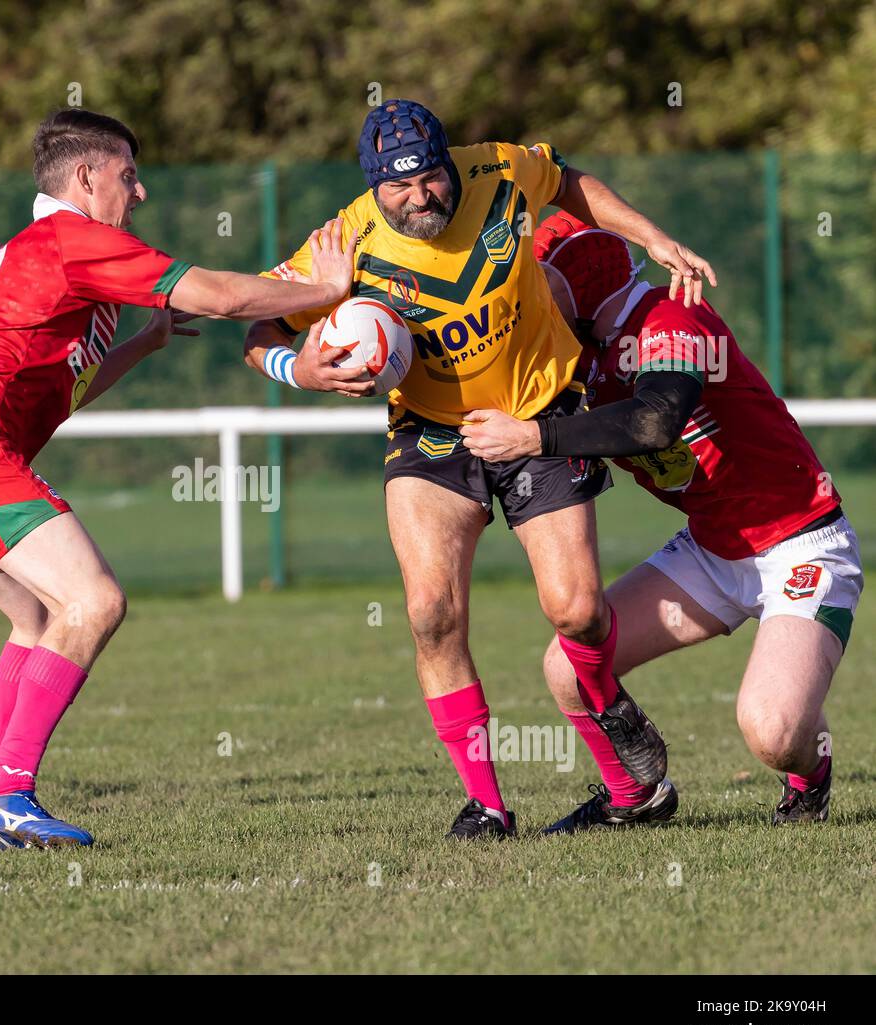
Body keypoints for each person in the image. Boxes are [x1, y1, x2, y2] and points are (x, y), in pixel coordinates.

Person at [0, 108, 357, 851]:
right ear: (86, 177)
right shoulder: (74, 241)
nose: (138, 194)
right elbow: (224, 295)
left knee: (36, 621)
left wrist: (145, 343)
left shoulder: (37, 252)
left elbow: (66, 388)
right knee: (95, 600)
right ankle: (7, 793)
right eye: (128, 176)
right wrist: (324, 290)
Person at [243, 99, 715, 839]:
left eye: (429, 178)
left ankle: (624, 763)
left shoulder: (497, 170)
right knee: (431, 613)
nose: (420, 197)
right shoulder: (343, 241)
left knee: (578, 613)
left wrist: (653, 237)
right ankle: (487, 806)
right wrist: (296, 367)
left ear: (446, 161)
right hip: (432, 437)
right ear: (373, 185)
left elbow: (570, 185)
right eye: (398, 188)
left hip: (541, 417)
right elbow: (260, 323)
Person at [459, 210, 862, 832]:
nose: (524, 295)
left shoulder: (669, 317)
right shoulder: (574, 356)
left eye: (538, 278)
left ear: (581, 272)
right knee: (568, 668)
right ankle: (636, 792)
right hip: (710, 552)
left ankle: (810, 772)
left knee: (774, 732)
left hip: (800, 543)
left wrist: (532, 435)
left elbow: (655, 421)